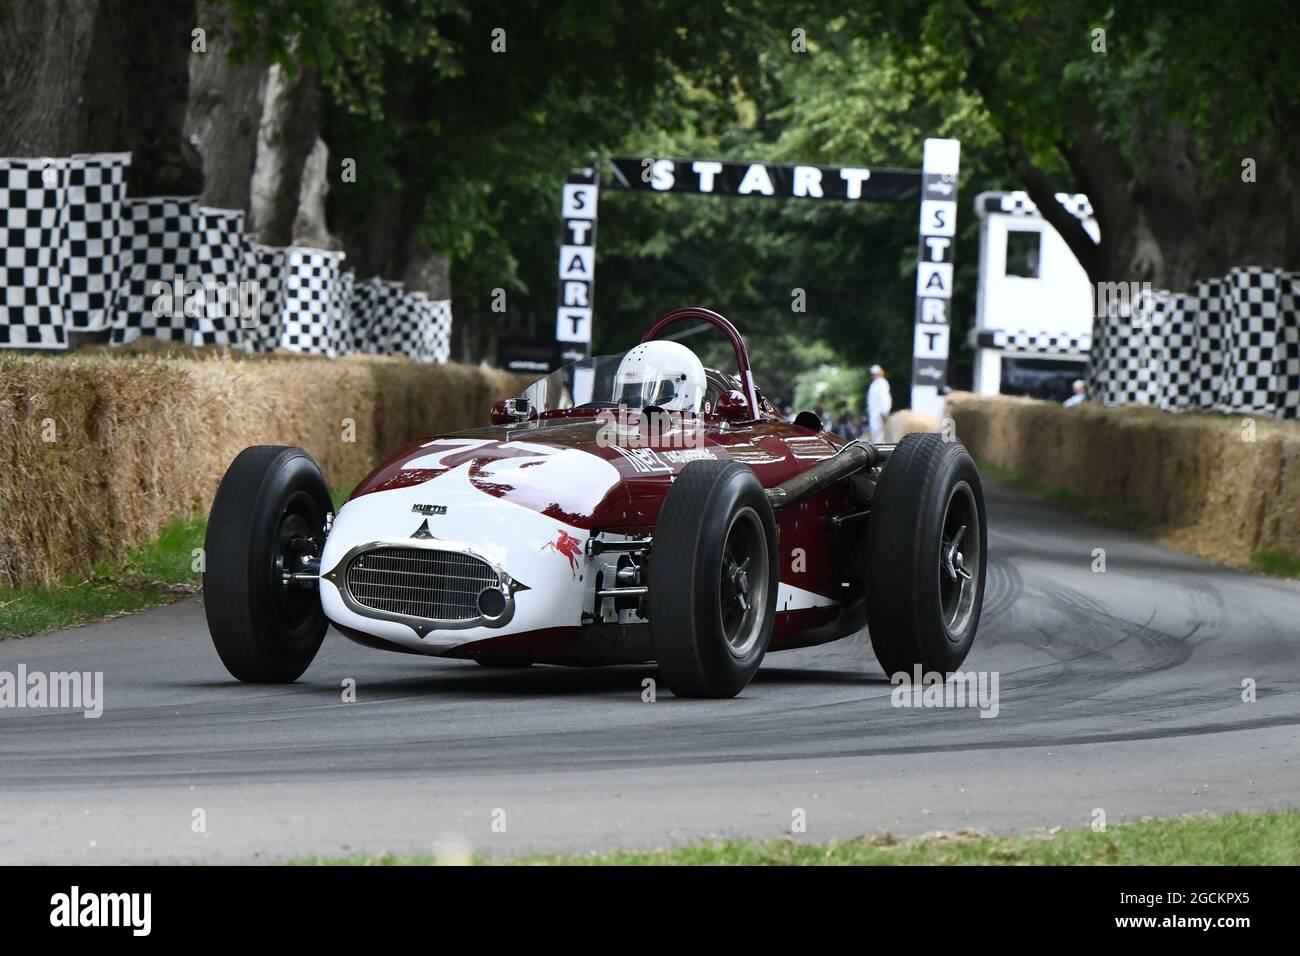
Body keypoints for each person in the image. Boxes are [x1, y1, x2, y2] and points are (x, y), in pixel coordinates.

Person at [865, 364, 892, 443]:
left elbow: (885, 398)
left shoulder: (882, 383)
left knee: (880, 433)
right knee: (875, 433)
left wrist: (884, 411)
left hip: (880, 413)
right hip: (874, 413)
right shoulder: (874, 384)